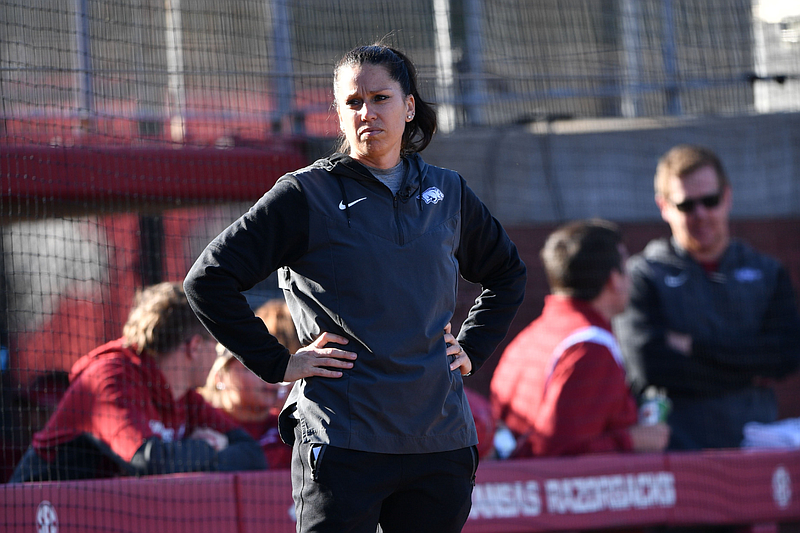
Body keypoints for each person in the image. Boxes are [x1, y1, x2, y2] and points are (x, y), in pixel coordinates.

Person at [184, 43, 526, 532]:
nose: (367, 112)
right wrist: (280, 363)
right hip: (343, 441)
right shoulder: (305, 194)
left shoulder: (447, 191)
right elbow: (207, 279)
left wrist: (473, 346)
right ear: (339, 115)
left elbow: (507, 273)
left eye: (381, 98)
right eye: (353, 102)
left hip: (440, 443)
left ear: (409, 107)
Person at [614, 144, 800, 450]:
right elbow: (649, 366)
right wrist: (747, 369)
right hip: (678, 450)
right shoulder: (643, 275)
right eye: (687, 205)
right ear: (664, 207)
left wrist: (693, 346)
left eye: (710, 201)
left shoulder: (766, 271)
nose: (700, 214)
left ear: (727, 198)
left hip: (755, 444)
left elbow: (786, 355)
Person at [9, 282, 267, 483]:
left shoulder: (185, 397)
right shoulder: (108, 378)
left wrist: (194, 454)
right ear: (194, 347)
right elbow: (148, 461)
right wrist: (210, 446)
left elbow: (252, 456)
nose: (219, 353)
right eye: (215, 343)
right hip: (37, 516)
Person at [491, 219, 670, 457]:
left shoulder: (531, 336)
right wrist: (633, 440)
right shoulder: (589, 349)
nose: (629, 280)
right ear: (613, 279)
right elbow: (554, 453)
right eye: (625, 268)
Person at [198, 299, 299, 469]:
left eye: (272, 365)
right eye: (253, 368)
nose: (267, 376)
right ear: (220, 376)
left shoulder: (290, 428)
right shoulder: (203, 424)